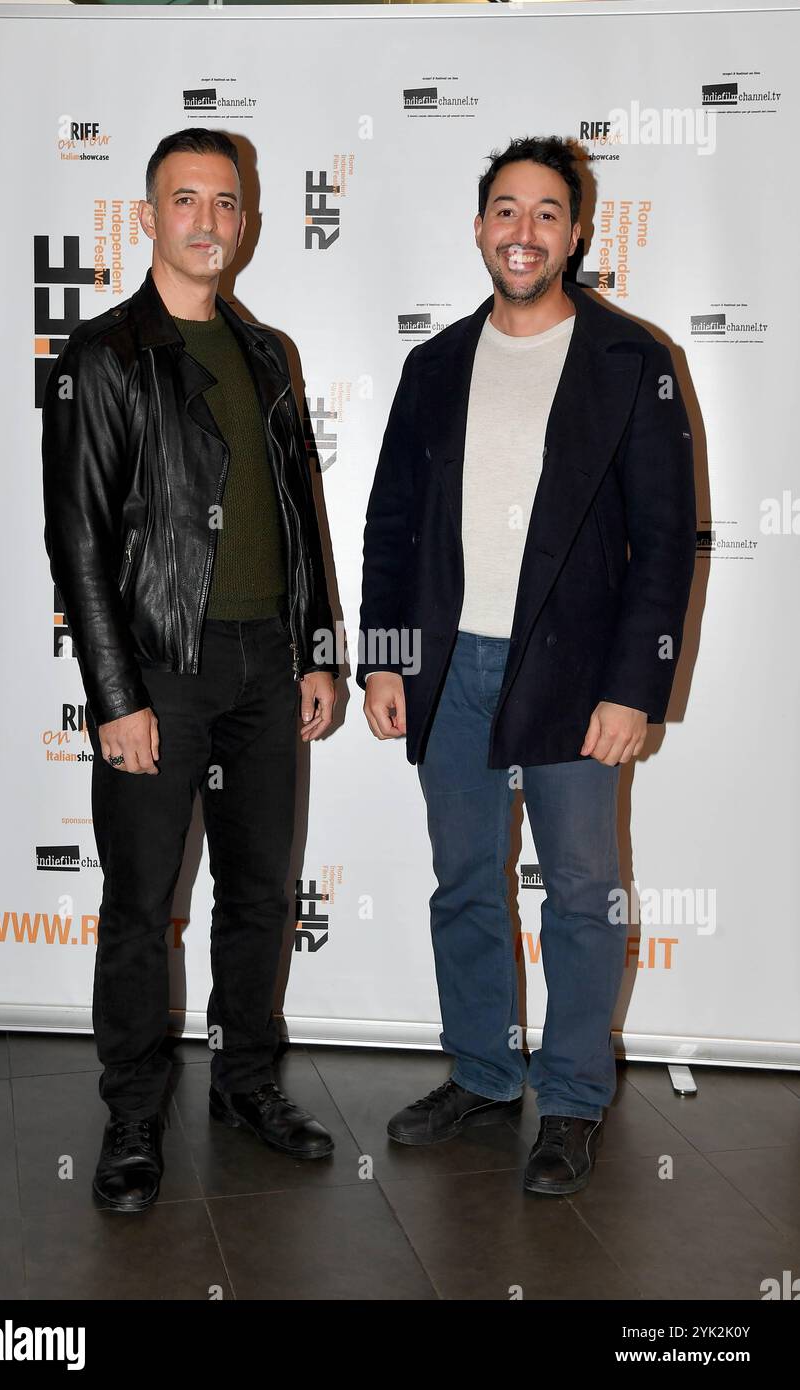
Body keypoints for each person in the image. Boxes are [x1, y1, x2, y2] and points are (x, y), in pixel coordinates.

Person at [357, 135, 697, 1195]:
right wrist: (383, 661)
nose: (523, 231)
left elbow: (664, 536)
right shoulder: (433, 364)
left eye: (546, 212)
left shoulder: (628, 360)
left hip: (575, 672)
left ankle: (574, 1098)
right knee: (463, 881)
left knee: (582, 891)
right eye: (505, 210)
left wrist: (632, 688)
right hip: (448, 669)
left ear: (576, 232)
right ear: (477, 227)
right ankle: (482, 1072)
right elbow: (390, 526)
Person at [42, 128, 338, 1213]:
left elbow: (301, 518)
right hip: (161, 668)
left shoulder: (269, 354)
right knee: (138, 902)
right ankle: (131, 1114)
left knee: (258, 892)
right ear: (147, 216)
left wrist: (314, 651)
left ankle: (246, 1085)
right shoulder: (103, 357)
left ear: (247, 222)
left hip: (267, 661)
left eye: (226, 202)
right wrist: (115, 697)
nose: (207, 220)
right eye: (185, 200)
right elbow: (76, 539)